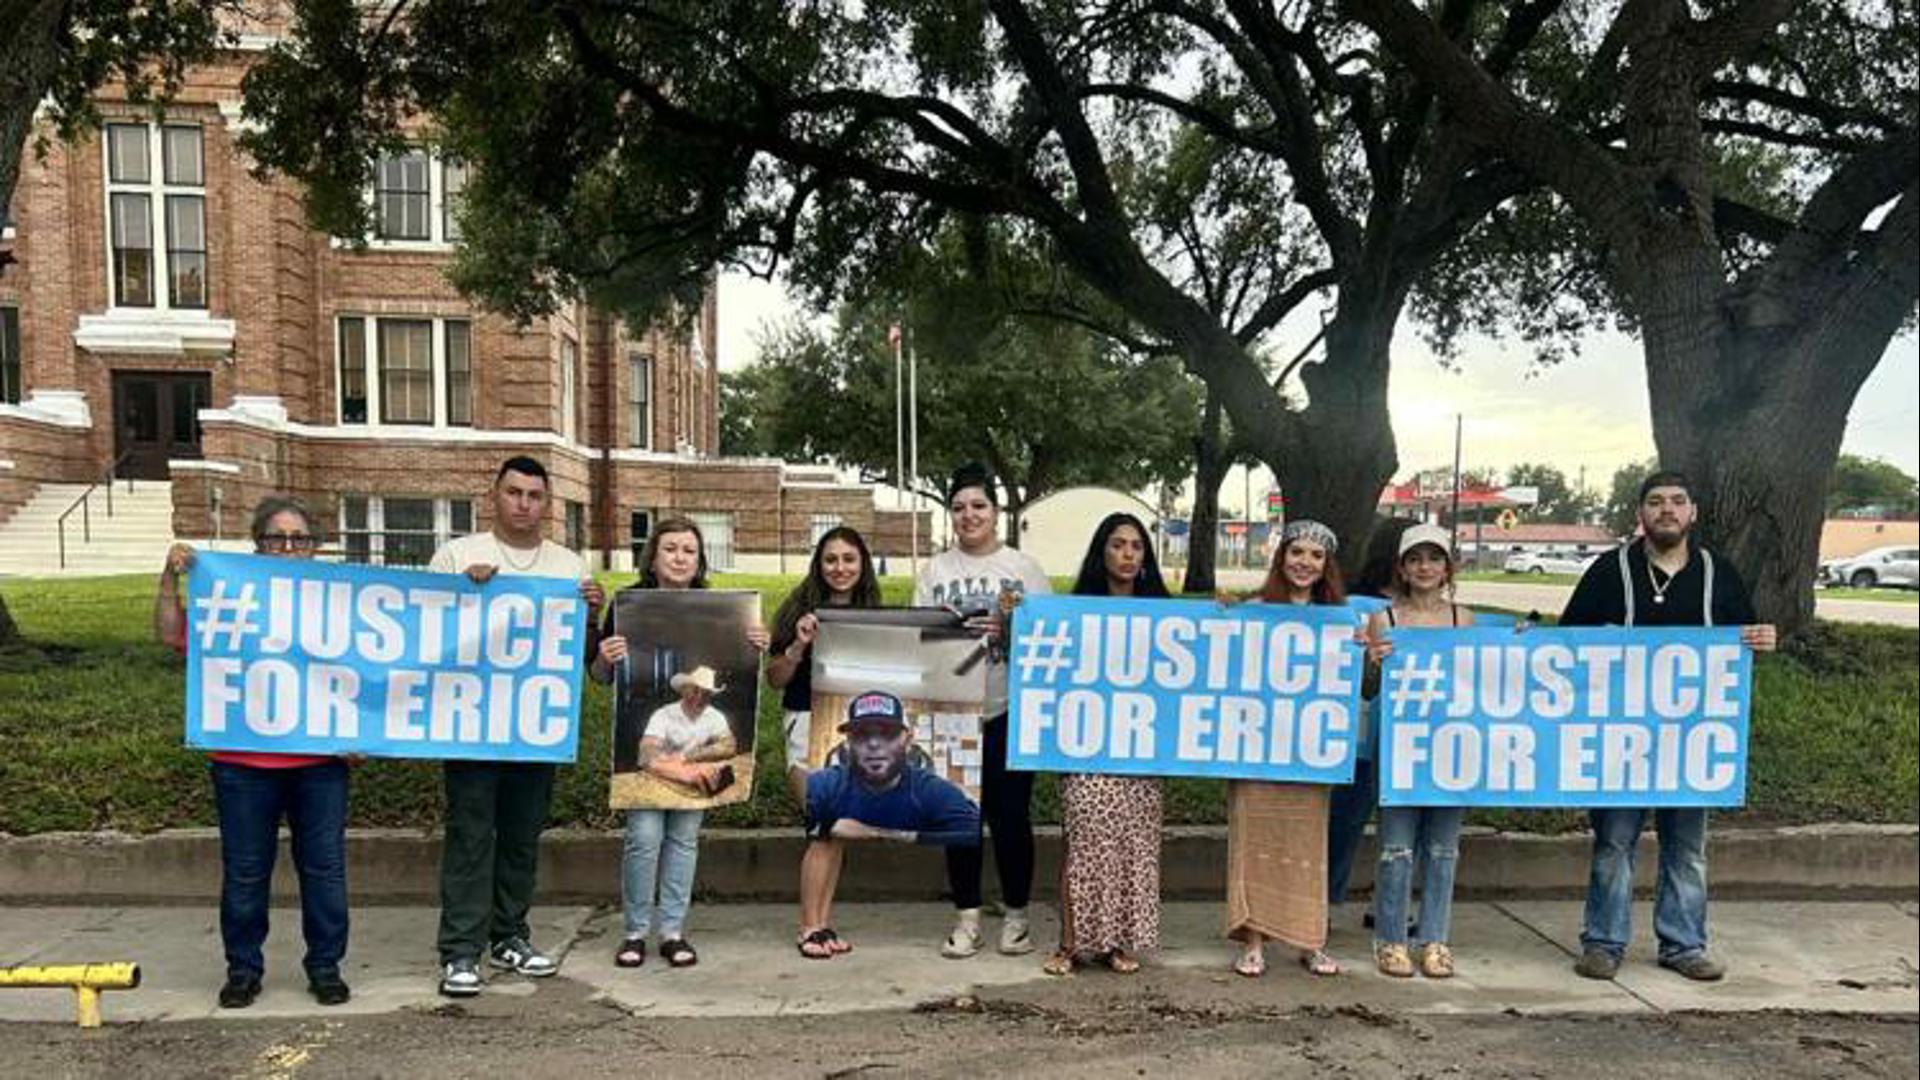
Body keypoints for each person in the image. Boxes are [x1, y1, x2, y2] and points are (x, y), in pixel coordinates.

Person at [1559, 470, 1777, 983]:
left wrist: (1760, 640)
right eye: (1655, 502)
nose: (1667, 510)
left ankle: (1683, 944)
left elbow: (1739, 645)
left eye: (1678, 501)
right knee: (1614, 841)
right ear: (1641, 513)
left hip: (1690, 738)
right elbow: (1565, 643)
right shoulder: (1610, 571)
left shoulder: (1715, 572)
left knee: (1687, 846)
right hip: (1620, 736)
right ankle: (1604, 942)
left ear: (1693, 513)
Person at [154, 496, 353, 1009]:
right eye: (276, 539)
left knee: (325, 868)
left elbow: (370, 676)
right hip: (242, 763)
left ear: (314, 549)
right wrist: (169, 578)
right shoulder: (232, 600)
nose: (288, 549)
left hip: (321, 764)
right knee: (245, 870)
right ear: (258, 546)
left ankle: (325, 966)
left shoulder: (339, 607)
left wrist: (362, 735)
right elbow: (169, 633)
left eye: (299, 539)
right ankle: (243, 969)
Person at [430, 456, 605, 998]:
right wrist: (464, 594)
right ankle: (461, 949)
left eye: (534, 495)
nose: (524, 503)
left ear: (547, 503)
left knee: (522, 837)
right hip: (472, 724)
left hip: (534, 725)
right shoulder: (459, 555)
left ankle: (509, 935)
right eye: (514, 492)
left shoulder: (567, 566)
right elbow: (426, 638)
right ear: (495, 495)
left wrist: (593, 613)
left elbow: (582, 657)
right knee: (470, 834)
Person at [591, 516, 768, 971]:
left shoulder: (721, 608)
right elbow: (601, 678)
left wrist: (757, 643)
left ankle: (672, 931)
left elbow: (730, 735)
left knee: (685, 840)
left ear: (699, 559)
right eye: (670, 548)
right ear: (653, 554)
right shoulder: (628, 604)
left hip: (685, 773)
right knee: (644, 838)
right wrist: (604, 658)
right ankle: (634, 932)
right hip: (652, 767)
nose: (679, 557)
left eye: (688, 550)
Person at [914, 463, 1052, 959]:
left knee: (1011, 816)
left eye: (978, 506)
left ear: (995, 511)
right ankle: (967, 917)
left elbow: (1049, 640)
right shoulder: (935, 571)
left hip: (1008, 708)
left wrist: (1009, 633)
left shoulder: (1023, 569)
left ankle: (1016, 916)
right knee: (960, 819)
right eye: (958, 507)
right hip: (952, 709)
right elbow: (919, 640)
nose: (968, 515)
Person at [1043, 513, 1170, 977]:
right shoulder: (1074, 611)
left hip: (1141, 748)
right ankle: (1071, 943)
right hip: (1086, 745)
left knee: (1133, 844)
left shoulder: (1165, 614)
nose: (1128, 554)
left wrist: (1218, 615)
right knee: (1085, 841)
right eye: (1118, 545)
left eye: (1137, 547)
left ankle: (1118, 942)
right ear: (1102, 552)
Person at [1225, 518, 1346, 978]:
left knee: (1308, 847)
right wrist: (1220, 620)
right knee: (1253, 840)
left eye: (1316, 556)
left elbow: (1365, 685)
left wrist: (1362, 653)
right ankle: (1253, 940)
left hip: (1311, 752)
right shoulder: (1255, 609)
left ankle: (1309, 939)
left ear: (1326, 565)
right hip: (1257, 749)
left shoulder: (1340, 620)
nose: (1305, 563)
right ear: (1282, 557)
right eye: (1297, 553)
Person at [1361, 524, 1475, 979]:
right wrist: (1371, 662)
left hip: (1451, 747)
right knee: (1396, 848)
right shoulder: (1384, 619)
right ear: (1402, 567)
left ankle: (1435, 938)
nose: (1424, 567)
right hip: (1399, 749)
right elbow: (1369, 692)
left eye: (1433, 558)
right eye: (1415, 559)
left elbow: (1479, 679)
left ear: (1448, 567)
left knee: (1444, 849)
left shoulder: (1462, 619)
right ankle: (1390, 938)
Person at [766, 527, 884, 958]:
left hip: (852, 729)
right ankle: (809, 927)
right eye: (831, 559)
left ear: (862, 564)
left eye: (849, 559)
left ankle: (821, 923)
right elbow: (775, 678)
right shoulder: (798, 610)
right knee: (823, 825)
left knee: (836, 832)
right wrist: (798, 644)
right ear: (819, 564)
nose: (840, 568)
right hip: (806, 723)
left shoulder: (874, 614)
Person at [1327, 518, 1415, 919]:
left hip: (1410, 737)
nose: (1422, 566)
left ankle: (1390, 905)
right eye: (1413, 555)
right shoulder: (1351, 606)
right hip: (1359, 736)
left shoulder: (1432, 611)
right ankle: (1321, 904)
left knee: (1404, 830)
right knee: (1343, 823)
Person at [803, 692, 981, 849]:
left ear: (908, 741)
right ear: (848, 742)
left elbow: (977, 838)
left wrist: (876, 833)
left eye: (888, 733)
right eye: (862, 734)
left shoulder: (933, 790)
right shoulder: (824, 785)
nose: (873, 744)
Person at [639, 667, 740, 798]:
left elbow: (729, 746)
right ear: (683, 690)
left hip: (692, 779)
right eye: (694, 690)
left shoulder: (715, 716)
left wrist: (686, 757)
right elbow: (646, 754)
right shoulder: (663, 714)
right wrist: (682, 771)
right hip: (658, 779)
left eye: (706, 693)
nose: (699, 697)